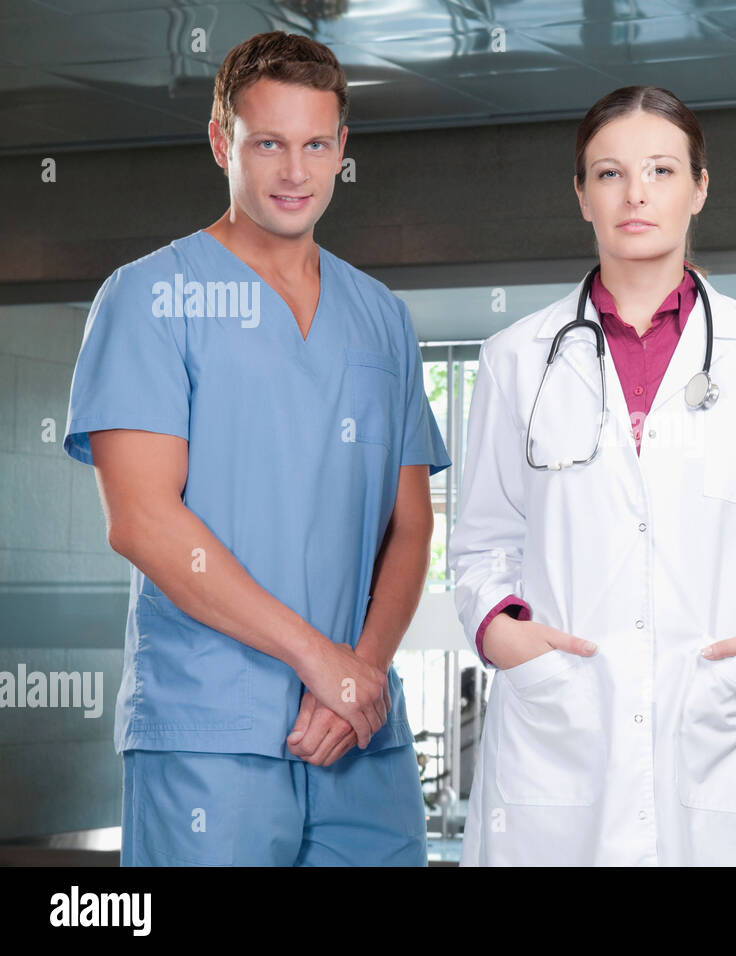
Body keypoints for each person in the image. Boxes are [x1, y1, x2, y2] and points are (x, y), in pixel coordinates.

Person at [62, 31, 450, 866]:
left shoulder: (380, 314)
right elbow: (142, 520)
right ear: (220, 142)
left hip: (360, 741)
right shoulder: (151, 298)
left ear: (342, 149)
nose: (294, 172)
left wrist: (361, 676)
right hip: (213, 735)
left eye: (316, 145)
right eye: (267, 143)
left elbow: (410, 525)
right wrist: (320, 661)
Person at [449, 85, 736, 866]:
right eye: (610, 173)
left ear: (699, 186)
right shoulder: (517, 357)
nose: (636, 193)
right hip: (562, 726)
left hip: (717, 724)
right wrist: (508, 635)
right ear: (582, 195)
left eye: (660, 169)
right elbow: (484, 543)